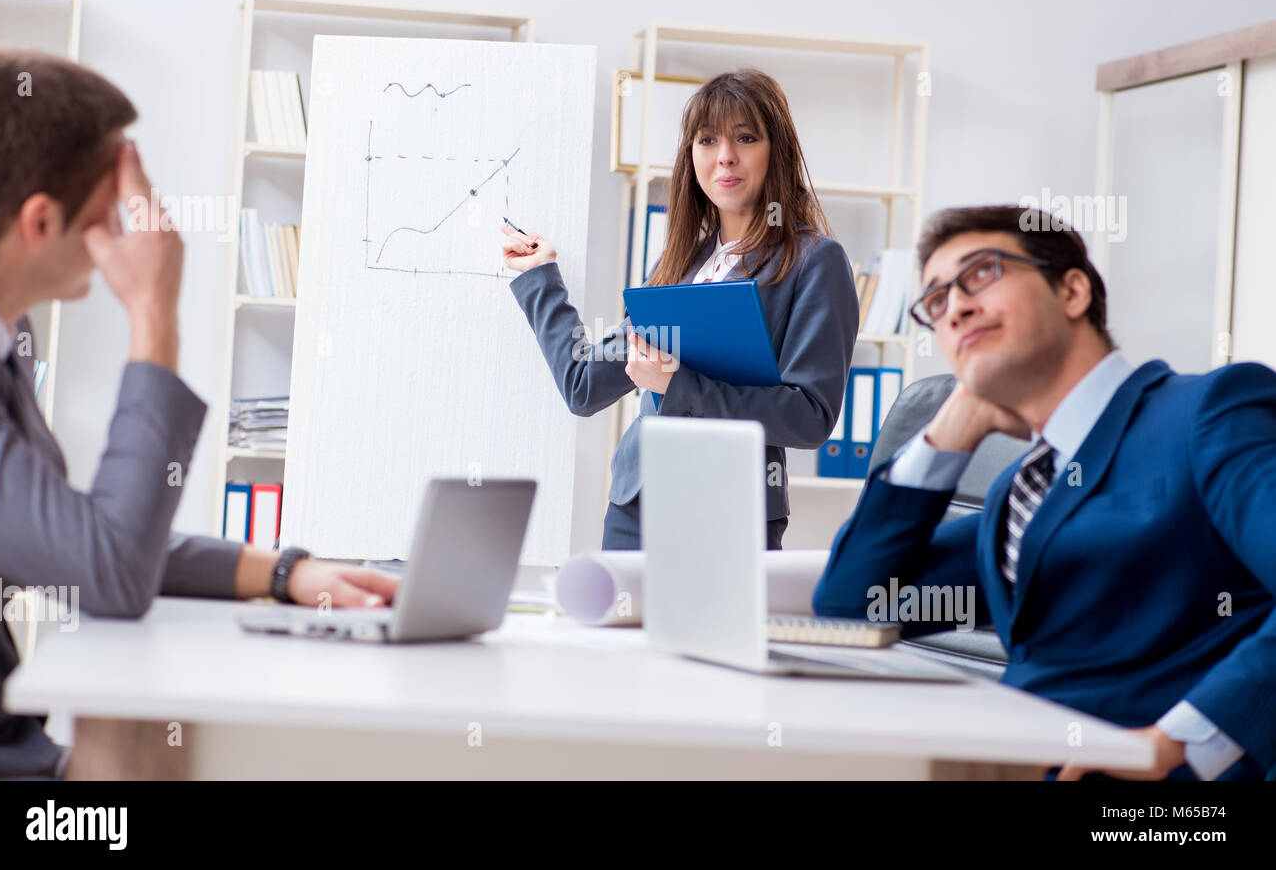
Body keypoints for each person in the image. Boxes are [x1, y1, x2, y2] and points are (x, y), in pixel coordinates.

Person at [0, 50, 398, 779]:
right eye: (114, 207)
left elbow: (81, 538)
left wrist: (284, 572)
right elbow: (107, 565)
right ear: (40, 223)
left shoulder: (1, 340)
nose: (139, 227)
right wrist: (153, 310)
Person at [812, 204, 1276, 781]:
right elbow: (853, 611)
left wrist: (1176, 740)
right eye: (935, 301)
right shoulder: (1020, 491)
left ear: (1073, 292)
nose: (955, 306)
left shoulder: (1207, 413)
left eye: (981, 274)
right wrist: (946, 435)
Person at [500, 69, 857, 550]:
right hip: (637, 507)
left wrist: (677, 385)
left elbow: (810, 416)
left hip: (731, 512)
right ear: (691, 156)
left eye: (746, 137)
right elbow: (583, 385)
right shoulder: (680, 263)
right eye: (707, 140)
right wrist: (538, 276)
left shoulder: (815, 261)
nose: (725, 156)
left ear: (778, 150)